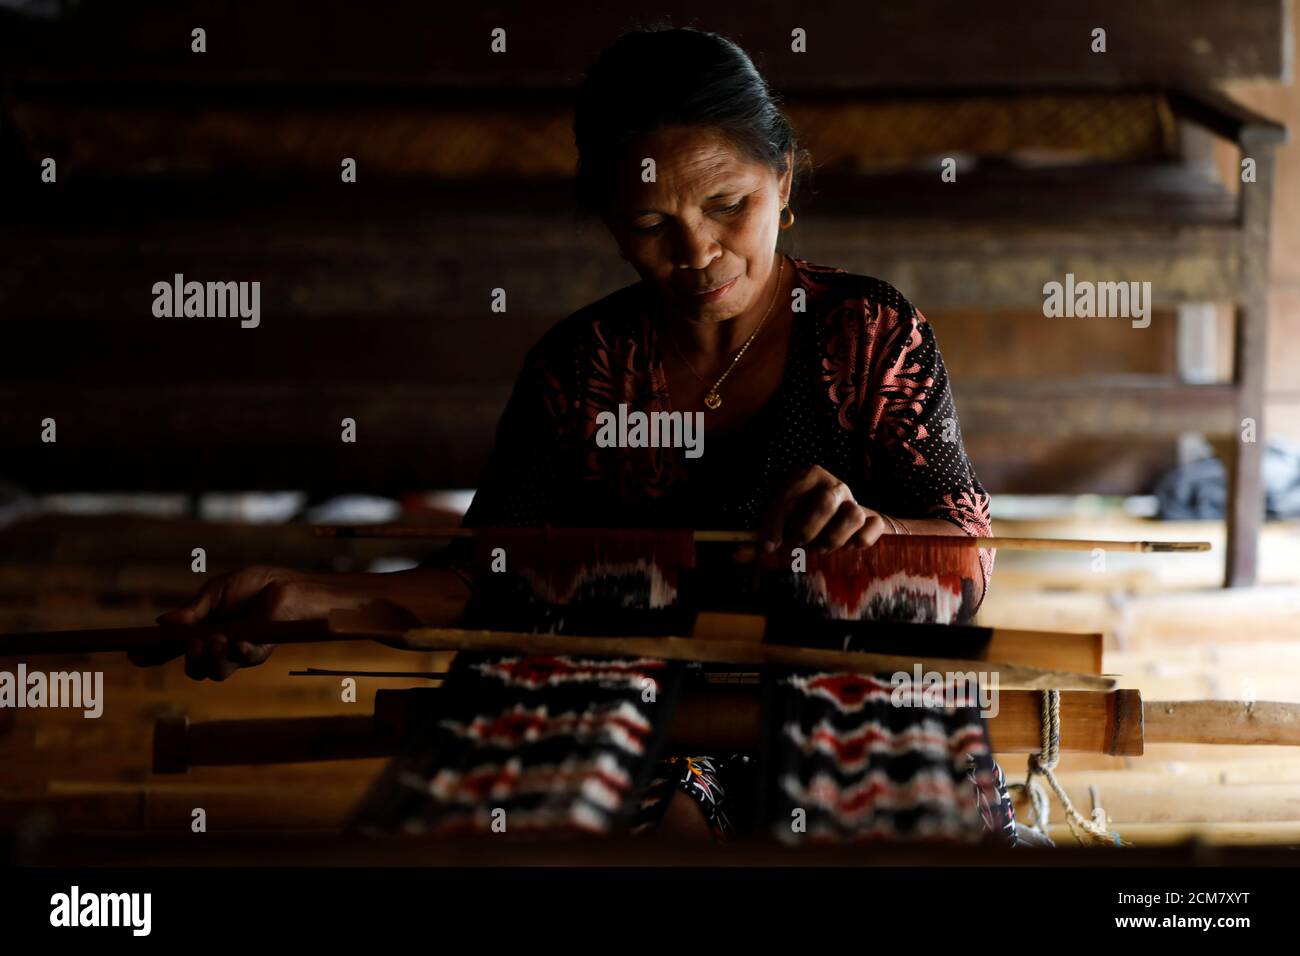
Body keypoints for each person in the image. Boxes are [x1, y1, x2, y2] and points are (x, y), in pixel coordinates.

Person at [151, 26, 998, 840]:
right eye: (650, 224)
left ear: (782, 181)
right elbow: (495, 577)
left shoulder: (868, 333)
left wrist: (880, 536)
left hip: (849, 701)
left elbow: (969, 559)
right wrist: (307, 597)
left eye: (727, 205)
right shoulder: (579, 367)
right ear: (609, 220)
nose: (697, 250)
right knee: (646, 829)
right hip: (642, 713)